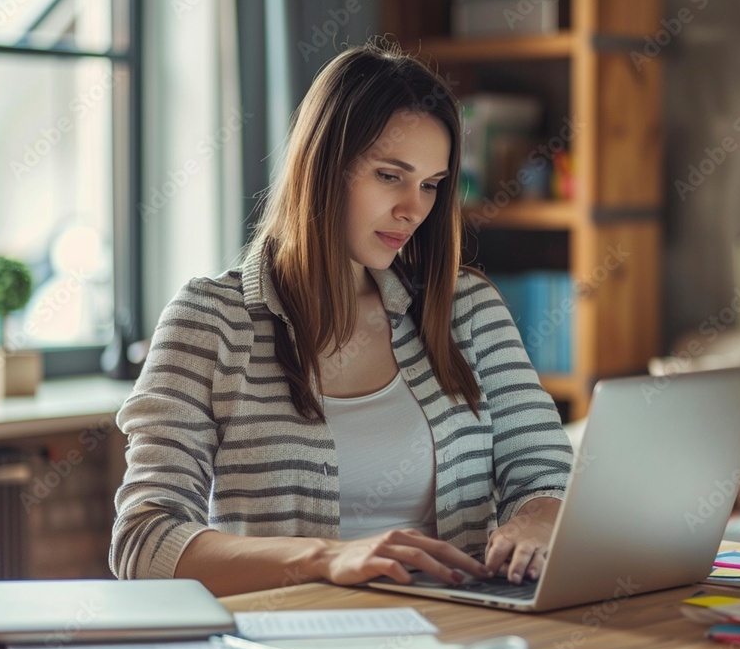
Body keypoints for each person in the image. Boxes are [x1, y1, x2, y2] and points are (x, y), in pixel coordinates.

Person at [109, 39, 574, 597]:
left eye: (431, 184)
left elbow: (546, 475)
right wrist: (326, 559)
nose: (414, 208)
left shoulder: (468, 310)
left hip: (464, 633)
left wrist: (537, 519)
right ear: (324, 167)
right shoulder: (211, 321)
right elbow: (144, 539)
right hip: (290, 642)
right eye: (389, 176)